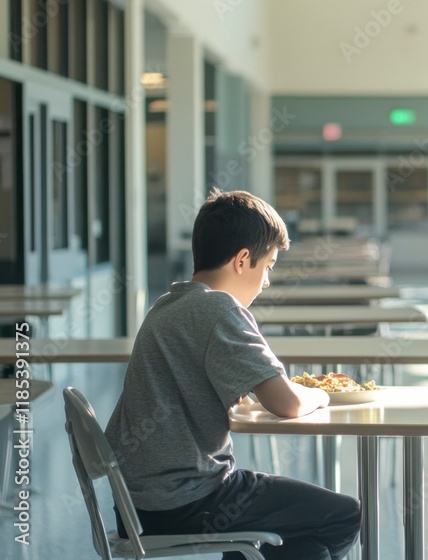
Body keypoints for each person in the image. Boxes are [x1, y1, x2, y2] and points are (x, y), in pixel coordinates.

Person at [105, 189, 361, 560]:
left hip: (141, 502)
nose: (267, 281)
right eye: (269, 266)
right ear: (243, 260)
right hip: (187, 499)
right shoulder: (218, 309)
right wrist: (322, 393)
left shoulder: (169, 302)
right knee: (344, 516)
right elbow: (286, 403)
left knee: (290, 539)